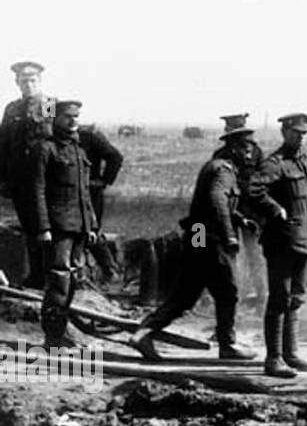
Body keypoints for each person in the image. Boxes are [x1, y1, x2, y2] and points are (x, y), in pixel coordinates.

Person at [128, 129, 259, 361]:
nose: (250, 156)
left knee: (186, 293)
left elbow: (219, 204)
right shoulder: (223, 171)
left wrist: (240, 219)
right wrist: (229, 235)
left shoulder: (215, 166)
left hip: (197, 234)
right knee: (228, 291)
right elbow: (217, 201)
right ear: (235, 149)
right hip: (211, 236)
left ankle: (144, 332)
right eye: (247, 150)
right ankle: (228, 345)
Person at [244, 112, 307, 378]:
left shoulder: (299, 162)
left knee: (296, 298)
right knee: (279, 299)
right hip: (282, 242)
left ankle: (291, 353)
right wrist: (275, 210)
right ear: (284, 132)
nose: (301, 137)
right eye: (296, 132)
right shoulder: (275, 163)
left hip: (302, 241)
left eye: (304, 133)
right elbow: (253, 190)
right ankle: (274, 358)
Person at [26, 100, 98, 349]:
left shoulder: (78, 150)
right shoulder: (45, 149)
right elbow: (37, 191)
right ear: (55, 119)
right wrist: (43, 227)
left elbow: (83, 193)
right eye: (68, 116)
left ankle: (62, 331)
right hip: (57, 227)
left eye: (76, 116)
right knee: (58, 281)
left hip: (78, 226)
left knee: (72, 281)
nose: (73, 120)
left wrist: (91, 226)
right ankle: (53, 337)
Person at [0, 61, 58, 287]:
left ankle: (51, 275)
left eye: (32, 80)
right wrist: (3, 178)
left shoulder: (49, 104)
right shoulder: (12, 109)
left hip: (44, 178)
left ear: (40, 81)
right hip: (19, 180)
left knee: (46, 226)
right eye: (23, 80)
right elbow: (3, 145)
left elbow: (54, 138)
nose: (28, 84)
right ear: (17, 83)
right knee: (29, 227)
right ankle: (36, 276)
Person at [221, 114, 266, 304]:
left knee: (255, 255)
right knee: (231, 254)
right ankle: (233, 298)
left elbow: (263, 179)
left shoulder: (256, 152)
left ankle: (262, 297)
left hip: (251, 211)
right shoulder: (222, 155)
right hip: (230, 210)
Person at [78, 122, 125, 281]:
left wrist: (103, 181)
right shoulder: (51, 138)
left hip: (90, 194)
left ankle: (109, 269)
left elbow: (115, 157)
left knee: (91, 231)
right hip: (64, 193)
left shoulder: (88, 136)